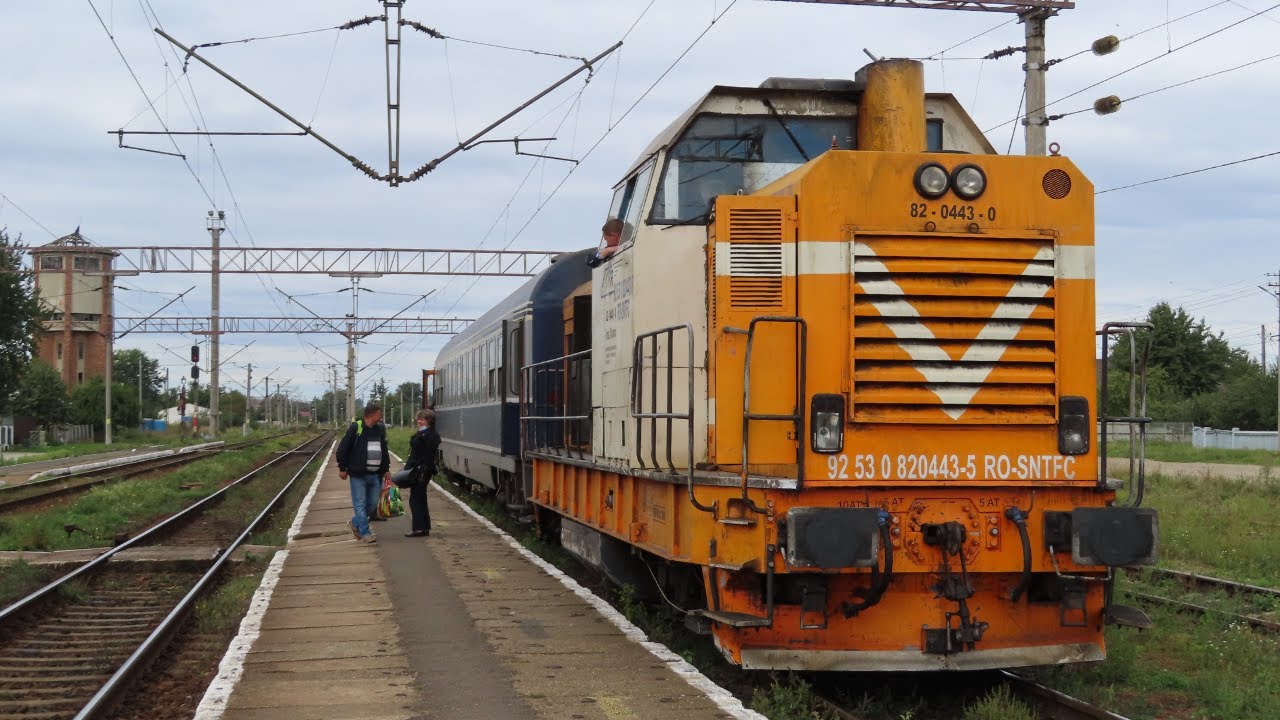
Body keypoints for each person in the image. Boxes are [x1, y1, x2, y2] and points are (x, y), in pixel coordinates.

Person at [335, 402, 390, 544]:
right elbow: (342, 449)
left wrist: (386, 469)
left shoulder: (379, 429)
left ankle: (354, 522)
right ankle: (365, 533)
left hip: (375, 474)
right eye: (379, 413)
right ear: (371, 414)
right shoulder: (356, 428)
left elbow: (384, 450)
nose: (381, 416)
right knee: (360, 504)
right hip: (358, 475)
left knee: (371, 505)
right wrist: (342, 468)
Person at [404, 408, 441, 537]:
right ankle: (424, 527)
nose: (419, 421)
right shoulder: (426, 433)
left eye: (422, 419)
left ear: (429, 420)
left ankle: (418, 528)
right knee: (420, 498)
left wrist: (420, 434)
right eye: (418, 419)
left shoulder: (430, 435)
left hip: (421, 471)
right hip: (420, 470)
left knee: (416, 499)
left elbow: (424, 451)